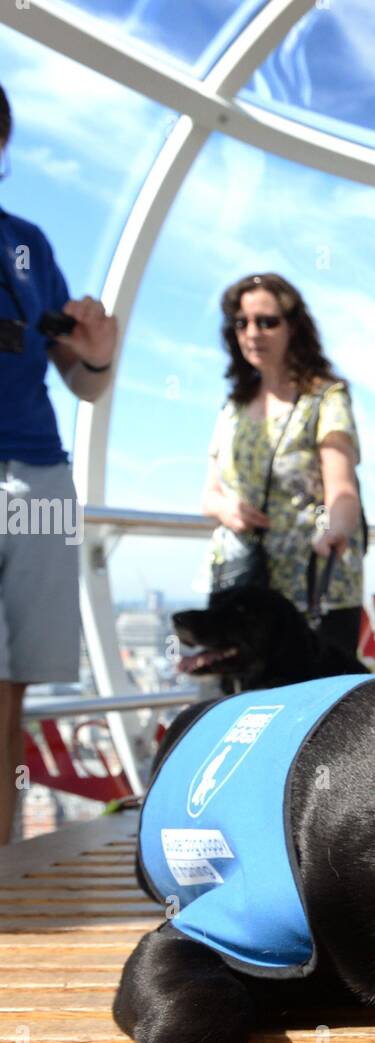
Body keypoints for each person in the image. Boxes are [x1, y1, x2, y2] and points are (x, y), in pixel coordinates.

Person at [0, 83, 117, 845]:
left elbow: (77, 374)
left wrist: (99, 361)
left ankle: (3, 873)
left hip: (39, 473)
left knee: (13, 689)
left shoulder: (27, 242)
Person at [201, 272, 365, 657]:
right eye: (242, 323)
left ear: (294, 328)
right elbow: (209, 493)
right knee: (244, 706)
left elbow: (341, 487)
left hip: (312, 586)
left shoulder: (325, 398)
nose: (252, 332)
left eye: (267, 321)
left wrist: (335, 530)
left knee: (320, 708)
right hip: (245, 585)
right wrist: (228, 508)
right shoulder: (233, 408)